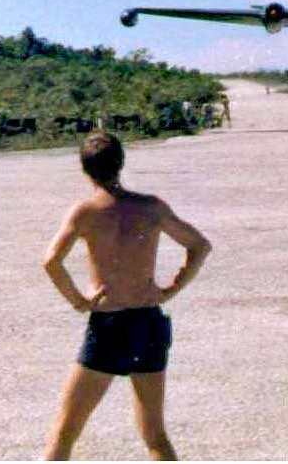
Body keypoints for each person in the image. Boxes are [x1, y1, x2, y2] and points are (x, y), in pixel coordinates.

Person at [42, 132, 212, 460]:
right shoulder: (150, 208)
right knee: (155, 435)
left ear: (85, 169)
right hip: (147, 322)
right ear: (121, 163)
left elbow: (51, 261)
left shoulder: (85, 212)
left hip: (108, 325)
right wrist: (171, 288)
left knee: (65, 432)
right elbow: (199, 245)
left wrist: (79, 301)